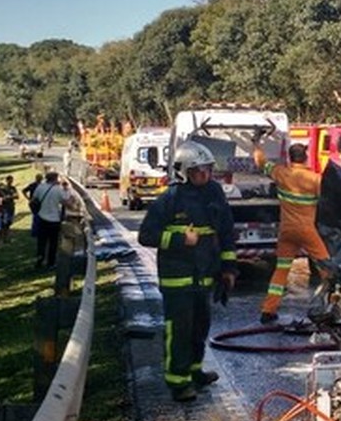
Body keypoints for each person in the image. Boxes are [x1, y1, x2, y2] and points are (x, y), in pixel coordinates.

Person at [138, 142, 238, 402]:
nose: (204, 175)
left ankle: (194, 371)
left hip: (204, 275)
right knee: (179, 330)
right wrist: (182, 239)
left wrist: (228, 268)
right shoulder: (170, 199)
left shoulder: (215, 192)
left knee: (199, 327)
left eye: (207, 170)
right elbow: (146, 236)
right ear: (184, 172)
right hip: (177, 278)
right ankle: (178, 381)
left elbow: (226, 231)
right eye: (198, 171)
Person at [251, 141, 328, 324]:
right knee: (327, 268)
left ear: (290, 157)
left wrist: (256, 144)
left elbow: (260, 162)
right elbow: (328, 200)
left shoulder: (281, 173)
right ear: (306, 157)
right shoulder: (315, 179)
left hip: (287, 231)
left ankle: (268, 310)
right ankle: (333, 305)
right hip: (307, 230)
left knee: (281, 270)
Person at [33, 171, 76, 269]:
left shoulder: (40, 187)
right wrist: (71, 196)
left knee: (41, 242)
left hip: (41, 218)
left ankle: (39, 261)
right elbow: (68, 203)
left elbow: (34, 199)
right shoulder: (58, 190)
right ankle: (51, 263)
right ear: (55, 179)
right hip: (54, 220)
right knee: (53, 243)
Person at [0, 175, 19, 241]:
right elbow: (3, 198)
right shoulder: (3, 188)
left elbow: (17, 196)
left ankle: (6, 235)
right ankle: (4, 237)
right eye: (10, 180)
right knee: (4, 222)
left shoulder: (13, 188)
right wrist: (11, 196)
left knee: (9, 222)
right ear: (7, 180)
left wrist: (9, 197)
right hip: (5, 207)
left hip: (11, 207)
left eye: (12, 180)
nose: (11, 181)